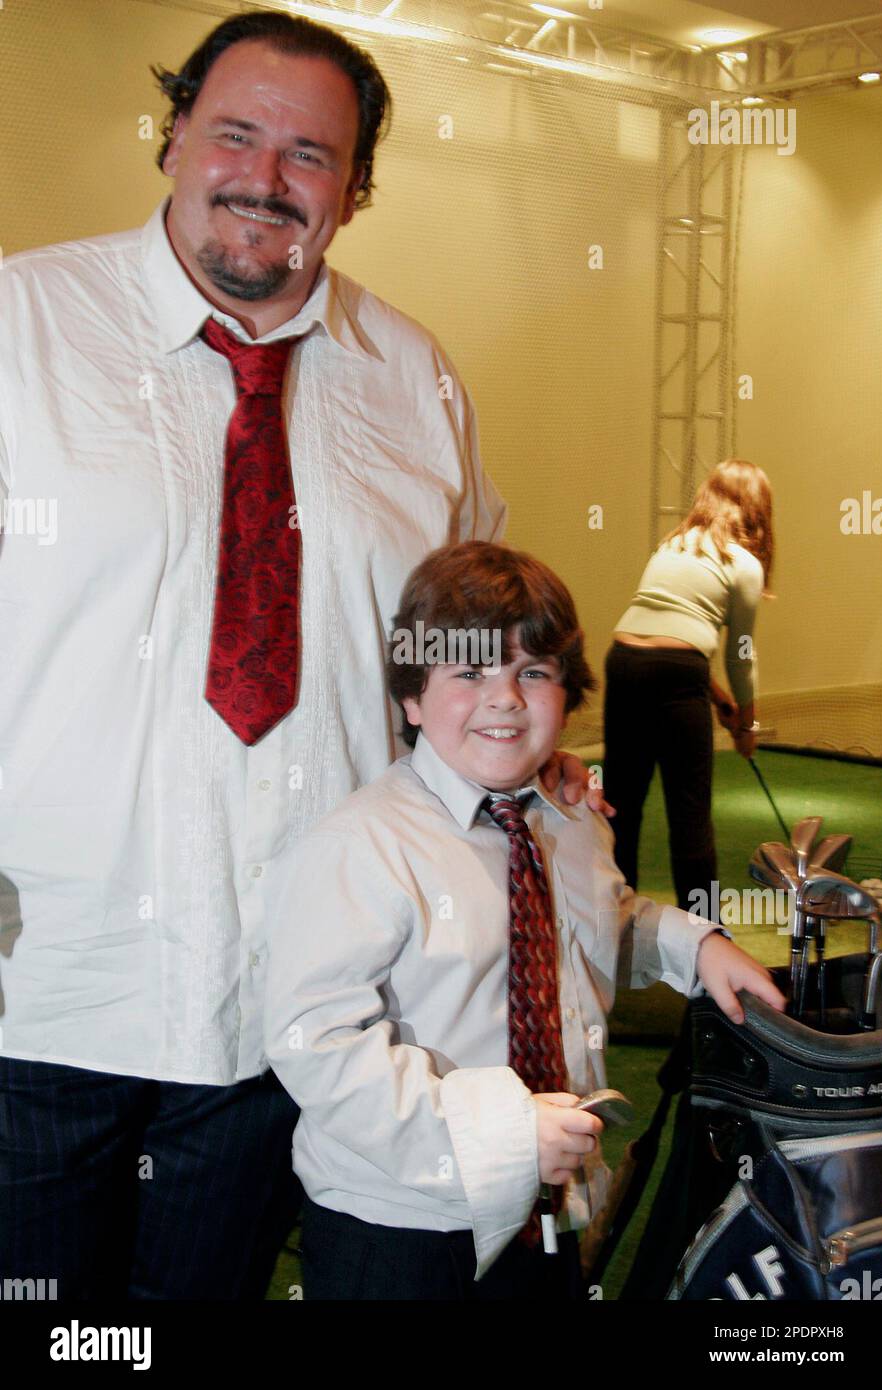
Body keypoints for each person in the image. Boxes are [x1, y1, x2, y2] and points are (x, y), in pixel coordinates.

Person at [0, 11, 596, 1300]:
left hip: (297, 1002)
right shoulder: (20, 326)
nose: (265, 177)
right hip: (42, 989)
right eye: (235, 133)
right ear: (173, 140)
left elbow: (464, 649)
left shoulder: (416, 379)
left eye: (311, 155)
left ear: (355, 191)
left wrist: (544, 789)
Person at [264, 540, 785, 1301]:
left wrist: (692, 945)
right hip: (405, 1227)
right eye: (469, 672)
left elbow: (597, 924)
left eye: (532, 672)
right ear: (411, 697)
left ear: (568, 694)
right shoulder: (361, 846)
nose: (505, 698)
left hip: (550, 1211)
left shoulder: (571, 824)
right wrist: (502, 1138)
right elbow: (320, 1043)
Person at [602, 458, 774, 916]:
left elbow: (664, 635)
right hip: (678, 676)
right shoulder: (743, 563)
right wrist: (748, 724)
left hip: (623, 664)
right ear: (757, 510)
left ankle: (613, 932)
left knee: (621, 807)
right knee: (690, 817)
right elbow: (740, 654)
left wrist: (719, 700)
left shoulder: (672, 545)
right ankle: (704, 943)